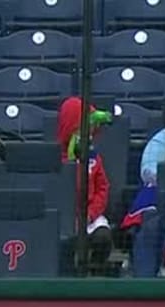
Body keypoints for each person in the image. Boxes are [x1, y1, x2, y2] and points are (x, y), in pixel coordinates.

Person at [57, 96, 115, 274]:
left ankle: (96, 272)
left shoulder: (94, 158)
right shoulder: (55, 158)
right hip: (63, 219)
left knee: (103, 238)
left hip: (90, 215)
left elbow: (102, 188)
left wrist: (91, 213)